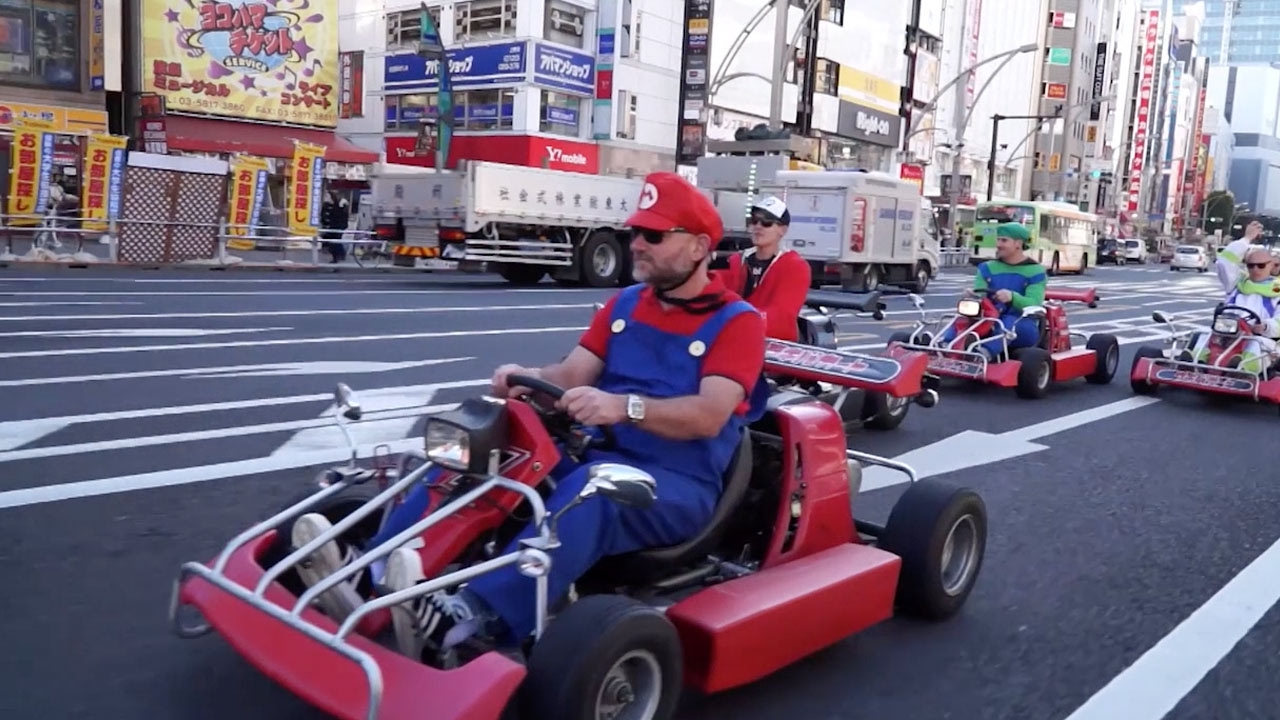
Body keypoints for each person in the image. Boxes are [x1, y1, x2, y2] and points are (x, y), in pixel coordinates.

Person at [289, 171, 769, 663]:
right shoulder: (625, 304)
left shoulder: (738, 324)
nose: (636, 245)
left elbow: (710, 416)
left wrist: (622, 407)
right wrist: (526, 377)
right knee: (484, 448)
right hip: (598, 451)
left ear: (698, 247)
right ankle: (374, 572)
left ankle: (470, 618)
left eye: (654, 235)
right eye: (634, 233)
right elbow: (571, 373)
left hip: (677, 483)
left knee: (593, 491)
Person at [712, 196, 811, 341]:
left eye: (767, 222)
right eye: (754, 221)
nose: (758, 226)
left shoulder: (796, 266)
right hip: (736, 339)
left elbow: (781, 317)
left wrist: (735, 320)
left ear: (782, 230)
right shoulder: (736, 260)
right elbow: (711, 289)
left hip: (774, 347)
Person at [1185, 220, 1280, 372]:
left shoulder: (1277, 291)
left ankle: (1242, 369)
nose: (1255, 269)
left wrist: (1265, 326)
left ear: (1271, 265)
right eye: (1251, 265)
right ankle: (1195, 363)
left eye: (1261, 265)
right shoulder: (1237, 283)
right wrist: (1246, 239)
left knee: (1256, 344)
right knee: (1205, 335)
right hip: (1229, 331)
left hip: (1261, 335)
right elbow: (1224, 262)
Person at [943, 221, 1046, 359]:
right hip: (989, 317)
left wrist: (1013, 297)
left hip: (1021, 323)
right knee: (964, 315)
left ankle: (984, 353)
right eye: (998, 240)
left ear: (1018, 244)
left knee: (1008, 322)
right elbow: (980, 293)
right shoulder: (987, 268)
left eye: (1004, 240)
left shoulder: (1035, 271)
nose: (998, 245)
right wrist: (974, 295)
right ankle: (946, 344)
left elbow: (1034, 303)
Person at [319, 190, 349, 264]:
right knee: (334, 241)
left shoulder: (340, 204)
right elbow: (323, 215)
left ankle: (338, 256)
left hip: (337, 226)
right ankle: (339, 255)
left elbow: (341, 216)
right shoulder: (328, 205)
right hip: (331, 226)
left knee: (335, 241)